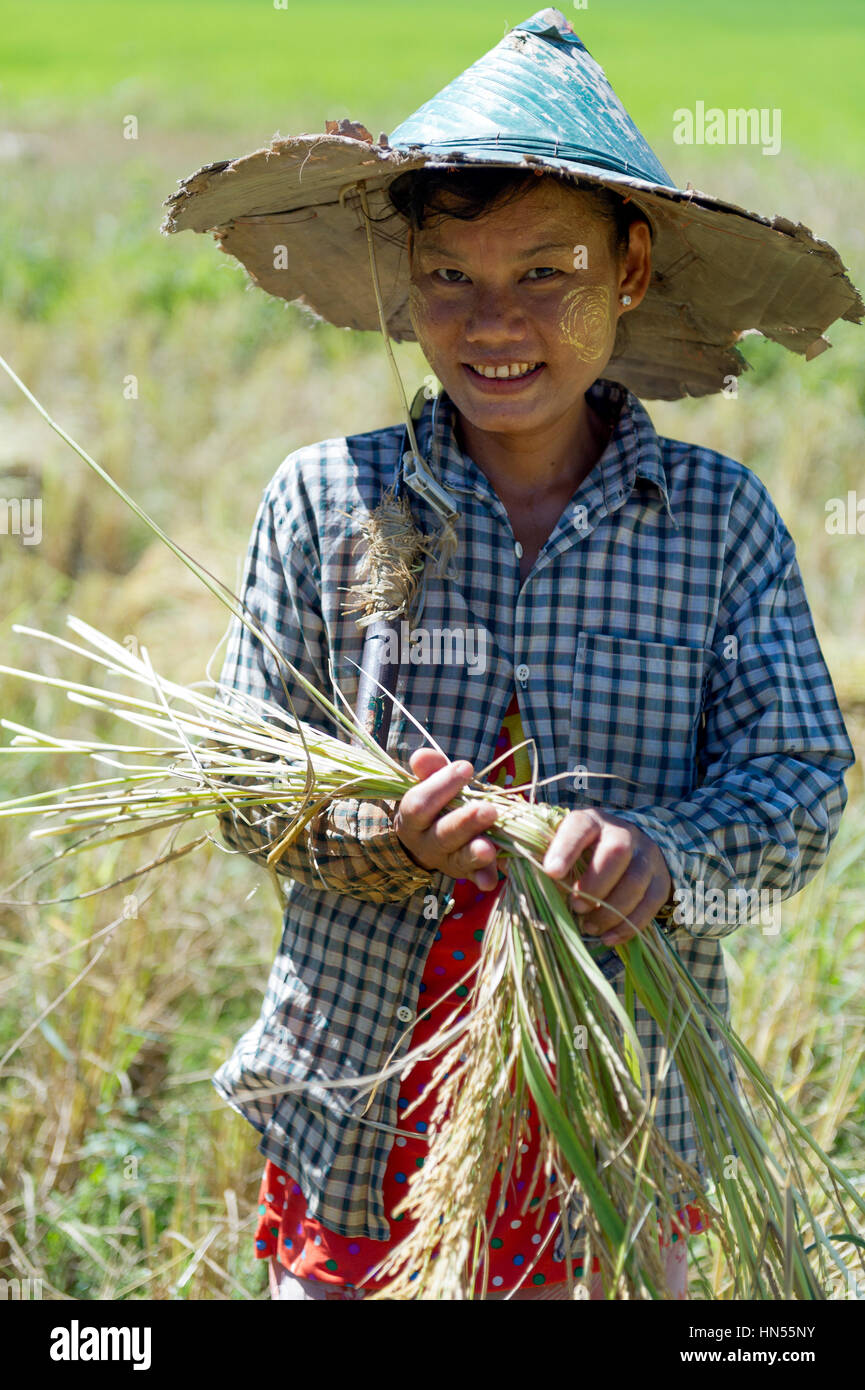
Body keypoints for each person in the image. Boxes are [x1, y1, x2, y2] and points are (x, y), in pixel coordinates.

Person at [162, 9, 859, 1300]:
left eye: (546, 274)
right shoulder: (327, 502)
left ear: (630, 269)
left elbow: (800, 779)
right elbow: (235, 775)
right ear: (403, 278)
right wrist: (381, 838)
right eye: (450, 279)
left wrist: (665, 855)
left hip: (616, 1106)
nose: (495, 323)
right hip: (365, 1098)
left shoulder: (714, 523)